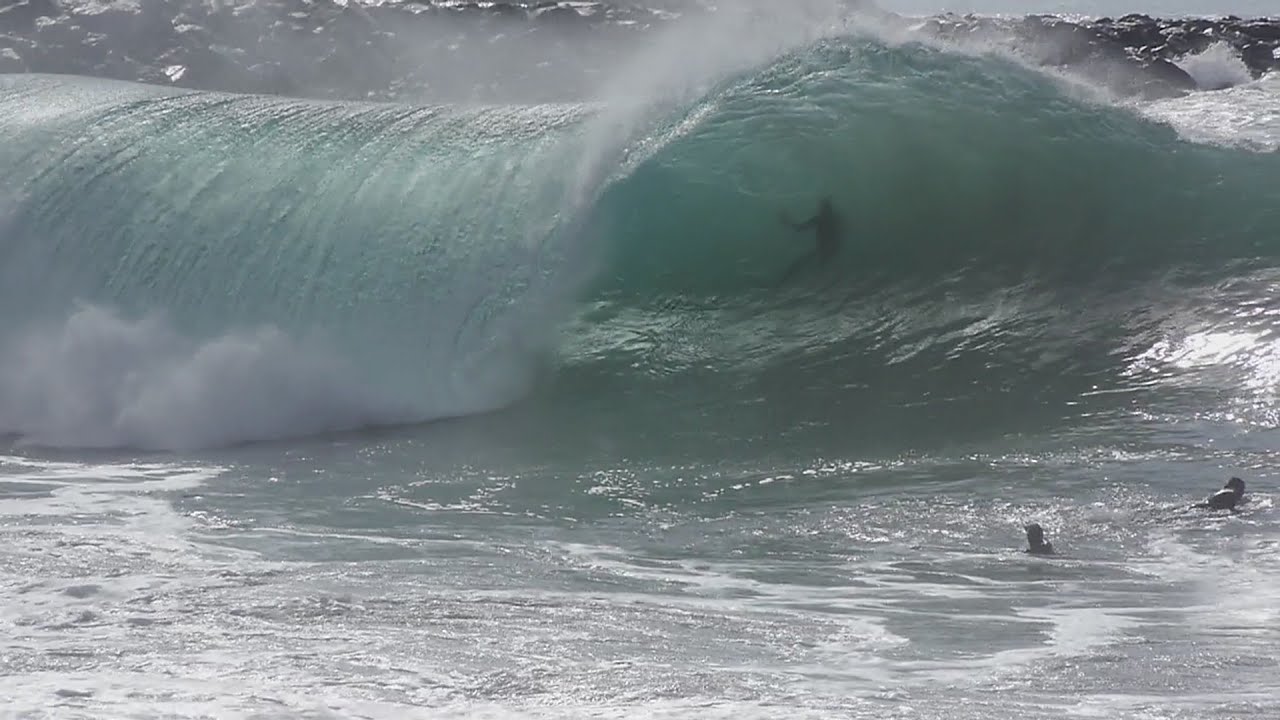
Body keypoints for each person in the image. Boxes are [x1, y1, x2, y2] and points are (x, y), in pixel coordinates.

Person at [779, 196, 842, 284]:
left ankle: (783, 283)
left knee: (814, 265)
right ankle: (784, 282)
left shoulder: (826, 219)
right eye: (822, 207)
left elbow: (799, 228)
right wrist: (788, 221)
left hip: (828, 250)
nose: (821, 209)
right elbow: (800, 228)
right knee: (800, 264)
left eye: (823, 207)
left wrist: (787, 221)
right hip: (825, 250)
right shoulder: (824, 218)